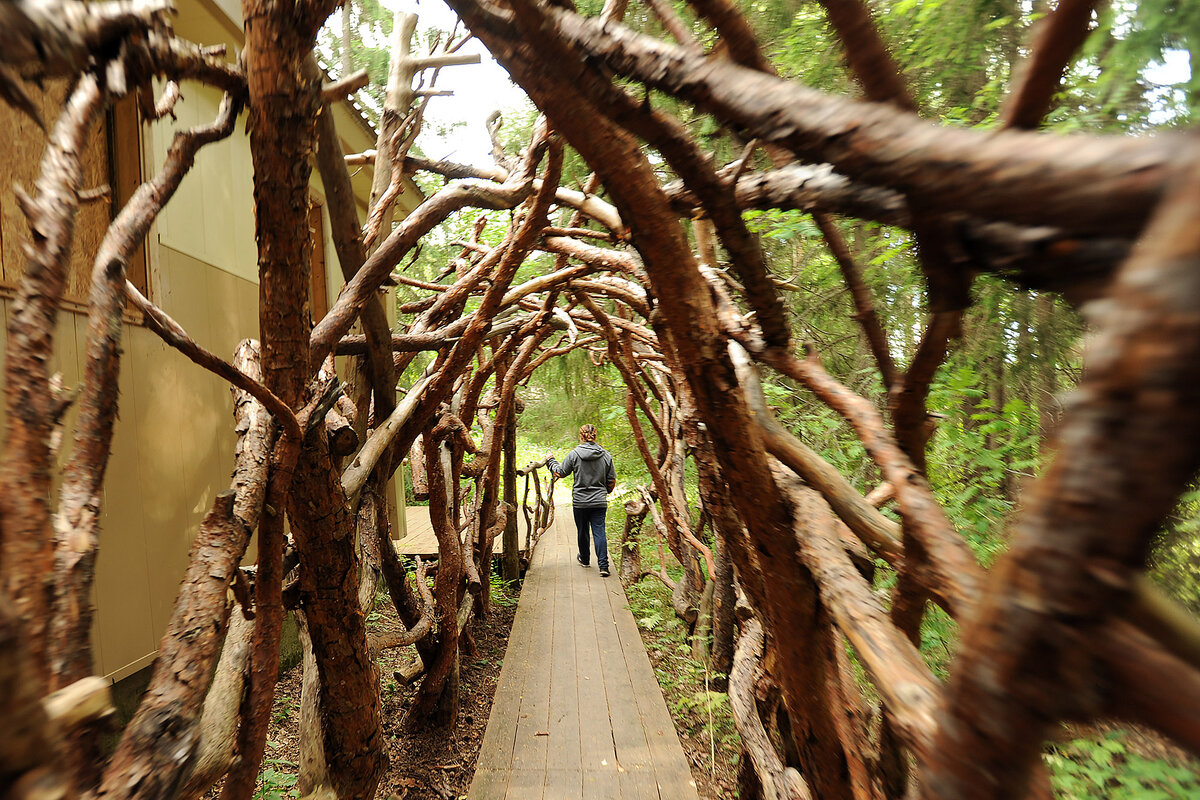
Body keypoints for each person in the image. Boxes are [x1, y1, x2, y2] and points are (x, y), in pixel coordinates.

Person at [546, 424, 617, 577]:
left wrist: (551, 461)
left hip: (580, 501)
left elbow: (560, 472)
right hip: (599, 501)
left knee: (582, 530)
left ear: (581, 436)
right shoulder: (606, 455)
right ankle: (603, 566)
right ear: (595, 436)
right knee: (599, 532)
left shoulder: (575, 454)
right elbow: (611, 480)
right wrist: (605, 492)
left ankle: (585, 559)